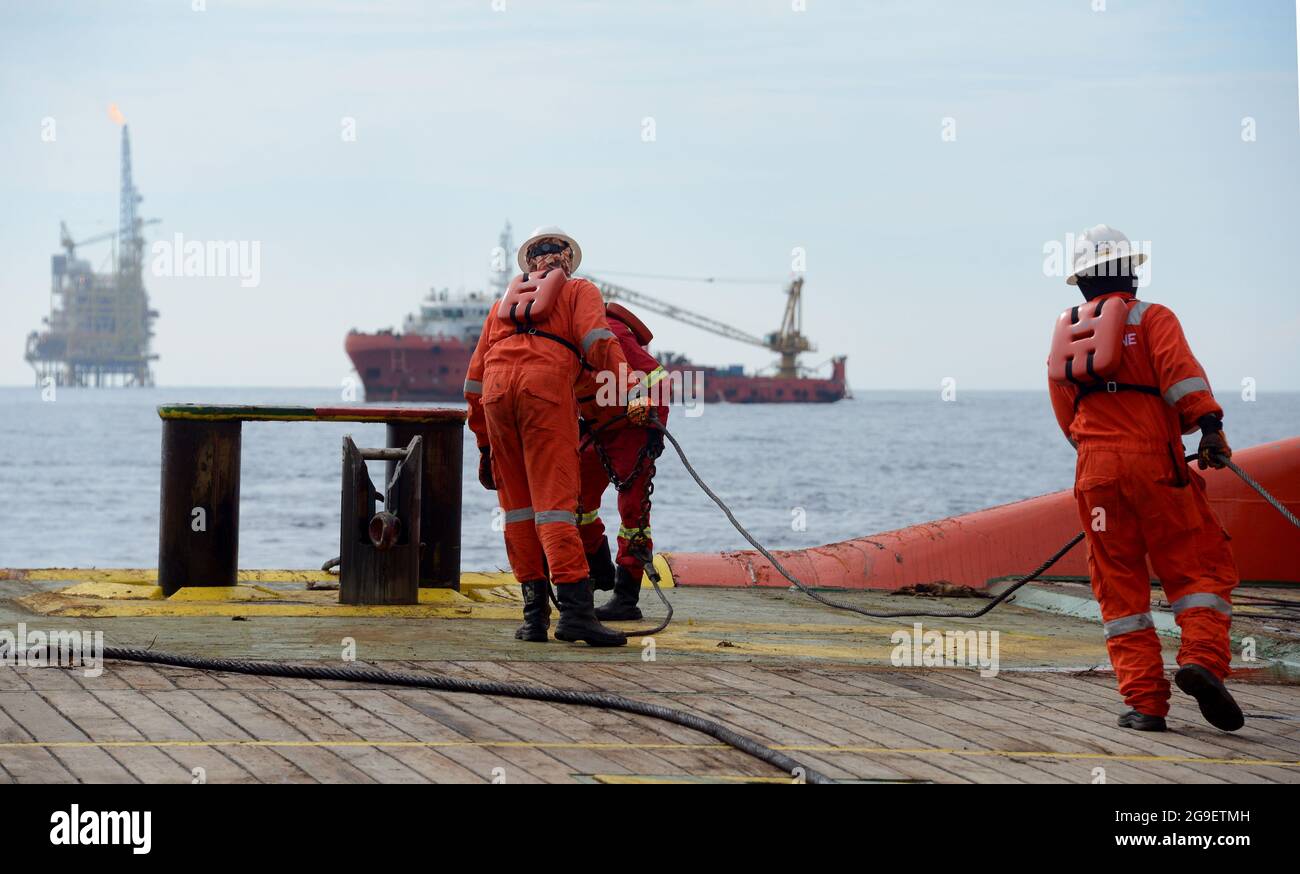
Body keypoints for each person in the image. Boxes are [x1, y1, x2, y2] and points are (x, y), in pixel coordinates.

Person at [1047, 224, 1242, 733]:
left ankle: (1145, 706)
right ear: (1130, 271)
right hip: (1155, 465)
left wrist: (1102, 456)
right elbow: (1183, 377)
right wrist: (1211, 428)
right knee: (1198, 571)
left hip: (1094, 472)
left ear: (1083, 281)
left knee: (1119, 592)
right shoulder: (1153, 318)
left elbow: (1067, 419)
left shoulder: (1066, 333)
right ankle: (1200, 659)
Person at [465, 226, 650, 647]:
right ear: (568, 260)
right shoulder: (579, 290)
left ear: (529, 264)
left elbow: (473, 384)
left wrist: (483, 444)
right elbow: (599, 343)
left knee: (518, 512)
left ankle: (533, 620)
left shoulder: (499, 309)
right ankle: (577, 615)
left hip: (496, 399)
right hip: (543, 394)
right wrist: (634, 390)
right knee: (556, 508)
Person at [574, 302, 669, 621]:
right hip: (598, 428)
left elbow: (658, 377)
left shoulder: (611, 333)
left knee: (633, 512)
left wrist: (654, 420)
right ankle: (599, 570)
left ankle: (626, 597)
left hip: (632, 430)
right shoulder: (565, 336)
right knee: (578, 502)